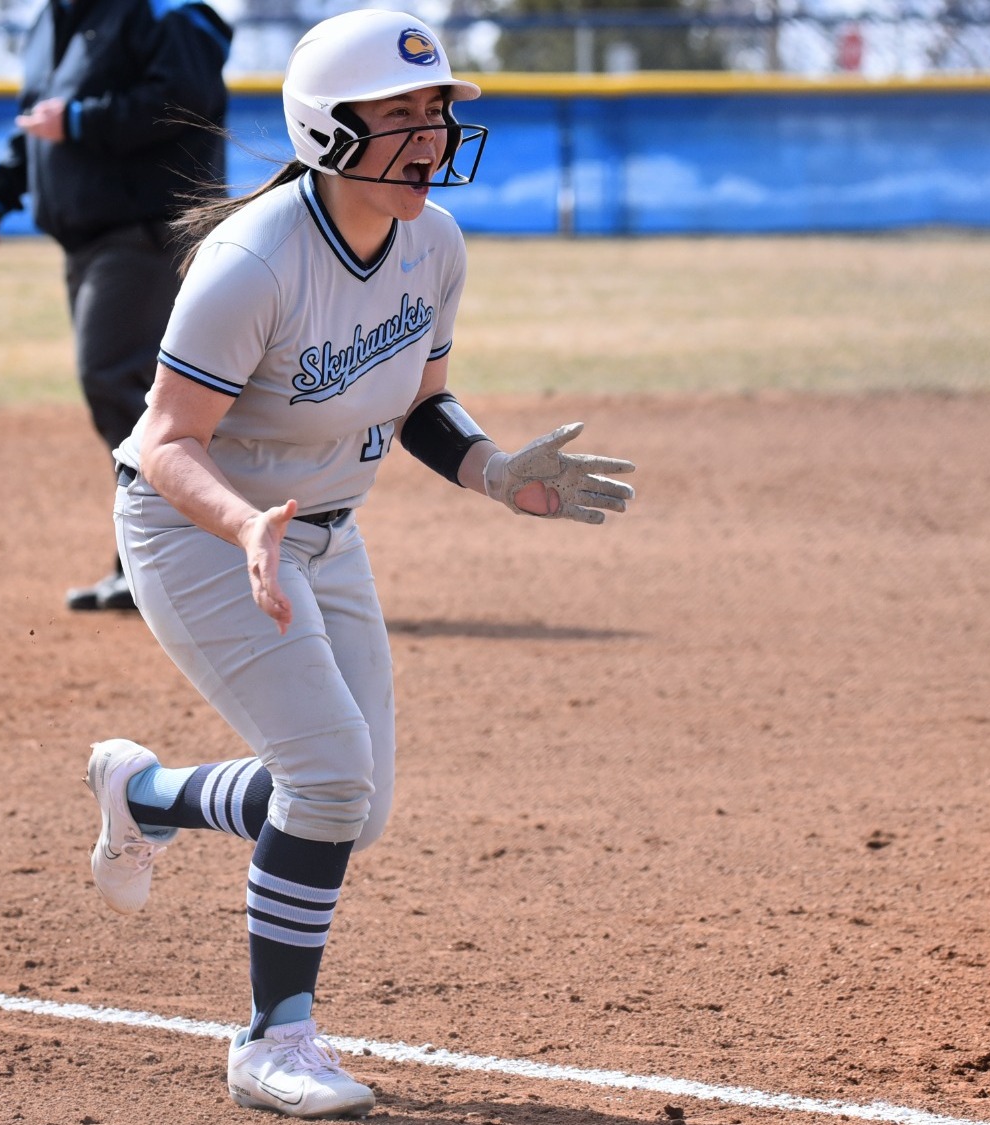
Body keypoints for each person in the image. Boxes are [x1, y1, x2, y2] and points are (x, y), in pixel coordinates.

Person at [77, 10, 636, 1117]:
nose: (430, 135)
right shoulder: (252, 261)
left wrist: (491, 472)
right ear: (329, 130)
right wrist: (242, 529)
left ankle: (142, 794)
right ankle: (271, 1041)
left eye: (436, 112)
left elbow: (421, 401)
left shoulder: (434, 246)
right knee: (328, 781)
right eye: (400, 114)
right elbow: (162, 441)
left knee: (351, 805)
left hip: (323, 531)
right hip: (199, 534)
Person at [0, 0, 232, 612]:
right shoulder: (53, 19)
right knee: (138, 392)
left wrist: (84, 121)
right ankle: (160, 557)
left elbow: (187, 99)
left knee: (120, 380)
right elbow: (37, 121)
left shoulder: (164, 12)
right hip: (88, 238)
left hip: (147, 233)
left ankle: (175, 557)